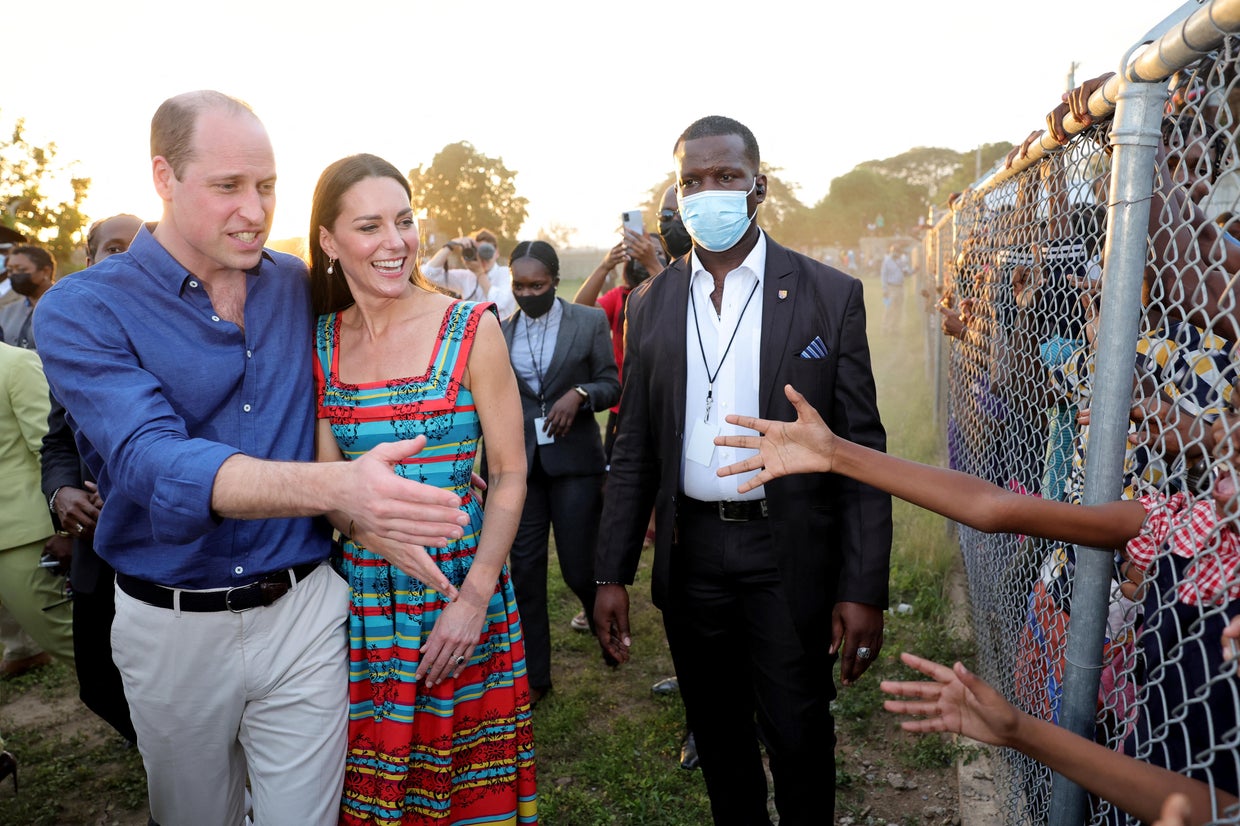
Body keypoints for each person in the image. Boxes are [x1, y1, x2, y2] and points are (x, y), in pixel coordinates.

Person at [32, 90, 469, 826]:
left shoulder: (299, 286)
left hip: (304, 611)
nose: (256, 210)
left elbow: (383, 346)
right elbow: (152, 459)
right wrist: (341, 488)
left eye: (266, 186)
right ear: (165, 178)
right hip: (171, 627)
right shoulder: (80, 309)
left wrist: (447, 453)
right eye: (228, 186)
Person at [716, 384, 1240, 805]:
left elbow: (1210, 806)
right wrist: (836, 454)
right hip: (1141, 767)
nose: (1226, 447)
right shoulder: (1192, 523)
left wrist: (1019, 731)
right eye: (1228, 421)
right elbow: (995, 508)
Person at [593, 115, 892, 825]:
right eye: (691, 181)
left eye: (725, 177)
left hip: (783, 549)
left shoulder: (827, 294)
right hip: (691, 552)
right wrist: (610, 573)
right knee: (722, 743)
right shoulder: (651, 304)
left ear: (757, 186)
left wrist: (862, 585)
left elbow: (861, 450)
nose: (708, 193)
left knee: (798, 738)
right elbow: (633, 446)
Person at [310, 153, 536, 824]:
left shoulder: (473, 327)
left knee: (465, 793)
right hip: (364, 612)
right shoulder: (321, 341)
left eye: (405, 222)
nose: (395, 242)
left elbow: (511, 473)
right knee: (371, 793)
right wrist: (371, 532)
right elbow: (328, 487)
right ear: (328, 241)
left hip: (460, 595)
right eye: (370, 226)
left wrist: (472, 600)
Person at [41, 212, 143, 745]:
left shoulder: (170, 336)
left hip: (161, 559)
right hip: (96, 555)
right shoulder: (73, 340)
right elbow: (57, 441)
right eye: (114, 248)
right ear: (89, 260)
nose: (127, 257)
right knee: (98, 686)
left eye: (139, 246)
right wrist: (62, 492)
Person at [502, 239, 619, 706]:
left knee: (577, 569)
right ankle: (536, 678)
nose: (528, 294)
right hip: (521, 469)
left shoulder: (588, 321)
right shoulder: (496, 329)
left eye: (538, 285)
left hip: (575, 467)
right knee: (525, 572)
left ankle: (608, 631)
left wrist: (581, 393)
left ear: (554, 280)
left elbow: (611, 383)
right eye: (519, 285)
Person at [0, 341, 74, 668]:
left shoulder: (15, 364)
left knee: (72, 644)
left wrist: (65, 530)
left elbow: (51, 450)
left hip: (24, 537)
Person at [421, 228, 516, 318]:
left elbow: (500, 304)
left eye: (486, 250)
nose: (481, 256)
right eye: (476, 251)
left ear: (497, 253)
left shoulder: (507, 273)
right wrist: (450, 246)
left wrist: (480, 273)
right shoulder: (466, 277)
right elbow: (427, 275)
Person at [0, 244, 55, 349]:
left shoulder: (67, 306)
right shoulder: (7, 312)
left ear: (46, 271)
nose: (14, 275)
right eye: (10, 271)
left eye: (21, 269)